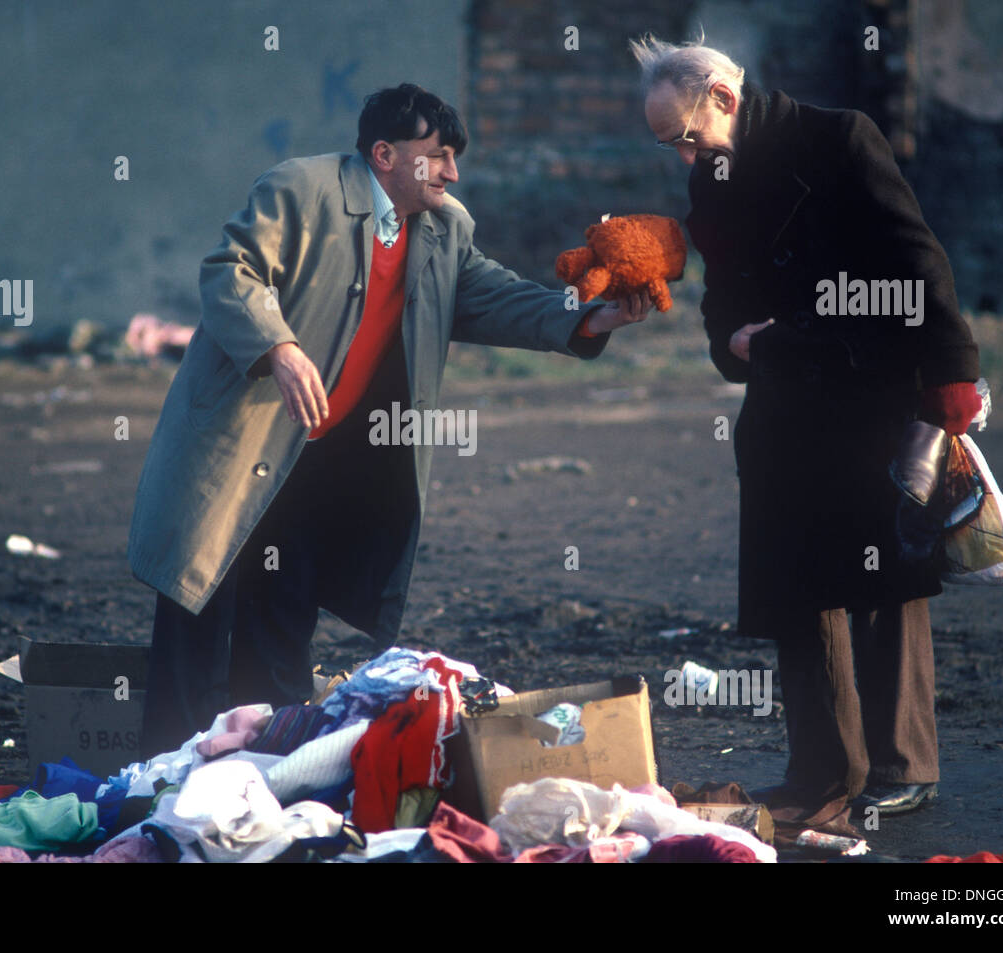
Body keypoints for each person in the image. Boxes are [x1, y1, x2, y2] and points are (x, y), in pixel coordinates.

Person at [128, 83, 652, 759]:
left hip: (315, 470)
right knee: (195, 628)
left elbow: (496, 298)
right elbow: (231, 272)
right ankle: (159, 791)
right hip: (241, 450)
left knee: (282, 633)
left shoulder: (446, 227)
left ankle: (265, 786)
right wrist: (280, 349)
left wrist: (593, 314)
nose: (453, 173)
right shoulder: (299, 190)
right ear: (385, 154)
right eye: (438, 156)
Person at [633, 36, 982, 833]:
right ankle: (824, 765)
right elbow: (721, 298)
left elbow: (917, 257)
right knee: (794, 582)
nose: (682, 155)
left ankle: (903, 766)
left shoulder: (838, 138)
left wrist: (952, 371)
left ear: (723, 96)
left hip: (866, 383)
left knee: (886, 576)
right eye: (669, 144)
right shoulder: (712, 182)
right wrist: (733, 344)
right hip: (783, 400)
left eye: (684, 134)